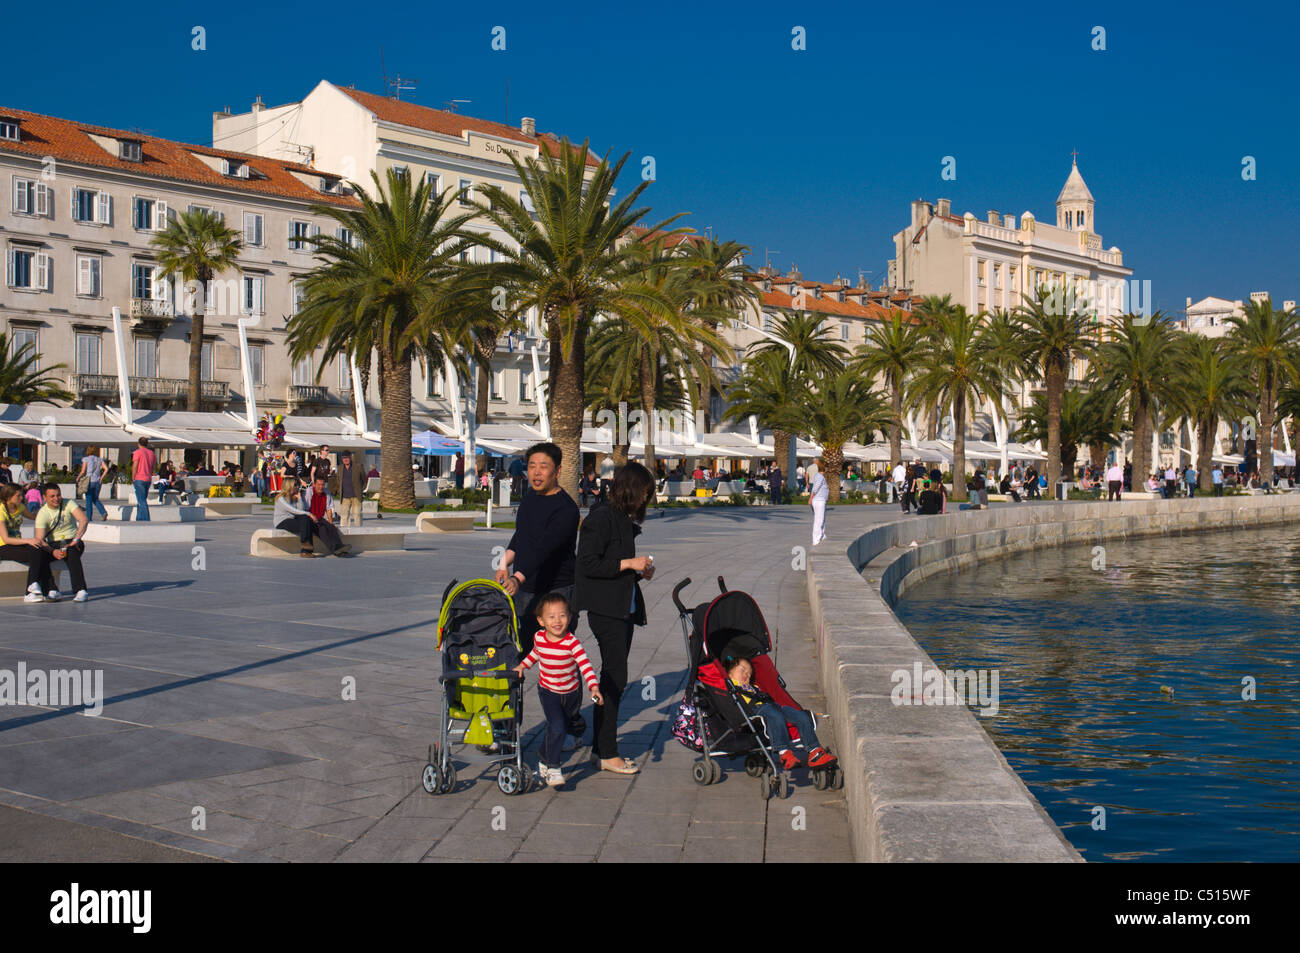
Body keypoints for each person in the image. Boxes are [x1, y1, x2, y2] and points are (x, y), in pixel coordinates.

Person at [574, 461, 656, 776]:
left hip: (623, 606)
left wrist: (640, 571)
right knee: (615, 678)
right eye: (643, 494)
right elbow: (588, 564)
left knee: (613, 677)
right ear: (630, 489)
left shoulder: (622, 519)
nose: (644, 501)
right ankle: (607, 751)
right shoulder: (601, 518)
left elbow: (616, 563)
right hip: (606, 610)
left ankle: (601, 748)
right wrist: (627, 563)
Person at [496, 443, 580, 656]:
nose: (536, 472)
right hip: (525, 589)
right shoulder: (529, 498)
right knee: (518, 654)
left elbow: (544, 548)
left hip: (556, 592)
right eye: (532, 466)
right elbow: (521, 535)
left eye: (543, 466)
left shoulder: (566, 509)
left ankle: (564, 689)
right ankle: (516, 689)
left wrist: (517, 578)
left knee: (557, 657)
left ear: (557, 471)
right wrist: (504, 563)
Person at [511, 592, 603, 787]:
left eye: (562, 615)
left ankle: (543, 755)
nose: (557, 621)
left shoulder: (573, 643)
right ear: (541, 621)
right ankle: (553, 767)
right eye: (551, 617)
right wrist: (522, 666)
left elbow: (585, 665)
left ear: (569, 618)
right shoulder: (539, 638)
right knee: (558, 727)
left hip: (571, 694)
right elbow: (535, 654)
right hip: (548, 692)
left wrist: (593, 687)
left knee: (557, 728)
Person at [725, 657, 836, 770]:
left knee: (801, 715)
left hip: (772, 706)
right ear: (730, 671)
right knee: (775, 715)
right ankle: (784, 753)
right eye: (742, 670)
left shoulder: (754, 687)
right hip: (755, 709)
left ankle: (814, 751)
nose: (746, 674)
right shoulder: (729, 685)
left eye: (749, 674)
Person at [0, 484, 55, 603]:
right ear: (8, 496)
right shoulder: (1, 510)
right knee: (35, 550)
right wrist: (28, 540)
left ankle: (47, 589)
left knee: (39, 549)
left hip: (17, 544)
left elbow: (34, 517)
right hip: (3, 547)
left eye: (22, 494)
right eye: (18, 495)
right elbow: (6, 539)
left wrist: (49, 512)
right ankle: (33, 591)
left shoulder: (19, 507)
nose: (22, 498)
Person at [34, 483, 89, 602]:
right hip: (53, 543)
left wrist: (76, 539)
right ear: (44, 498)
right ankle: (51, 589)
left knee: (72, 551)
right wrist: (52, 551)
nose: (56, 499)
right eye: (52, 496)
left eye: (58, 495)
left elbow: (83, 520)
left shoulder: (68, 503)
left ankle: (80, 590)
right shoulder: (43, 513)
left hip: (71, 540)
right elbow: (40, 539)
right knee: (40, 555)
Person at [273, 477, 349, 558]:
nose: (298, 487)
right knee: (306, 521)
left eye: (298, 485)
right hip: (282, 521)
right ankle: (305, 550)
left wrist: (299, 499)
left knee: (317, 526)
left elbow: (301, 510)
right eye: (295, 485)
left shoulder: (295, 498)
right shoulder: (280, 498)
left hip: (294, 519)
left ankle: (336, 549)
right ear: (289, 486)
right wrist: (309, 514)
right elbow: (292, 510)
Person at [330, 451, 365, 527]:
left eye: (347, 457)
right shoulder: (340, 468)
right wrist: (335, 490)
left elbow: (364, 480)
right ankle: (345, 534)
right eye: (343, 458)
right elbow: (338, 481)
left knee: (357, 515)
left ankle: (358, 533)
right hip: (345, 496)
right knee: (344, 516)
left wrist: (361, 490)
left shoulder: (358, 467)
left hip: (356, 496)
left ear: (350, 457)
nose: (345, 459)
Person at [77, 446, 109, 521]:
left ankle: (88, 518)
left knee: (89, 500)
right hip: (98, 482)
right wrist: (101, 477)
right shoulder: (100, 459)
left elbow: (83, 471)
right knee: (95, 499)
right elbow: (106, 469)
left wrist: (78, 477)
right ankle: (103, 512)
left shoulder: (86, 459)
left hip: (89, 482)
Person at [131, 437, 156, 522]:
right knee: (142, 499)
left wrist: (133, 477)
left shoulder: (137, 452)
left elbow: (135, 465)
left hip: (139, 478)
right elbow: (153, 466)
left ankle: (146, 519)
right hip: (148, 478)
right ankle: (139, 518)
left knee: (141, 500)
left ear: (138, 444)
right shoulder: (152, 453)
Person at [809, 456, 829, 545]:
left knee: (822, 519)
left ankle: (822, 535)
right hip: (819, 500)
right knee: (819, 520)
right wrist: (811, 497)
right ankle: (816, 539)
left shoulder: (819, 476)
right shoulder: (820, 477)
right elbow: (816, 488)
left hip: (821, 500)